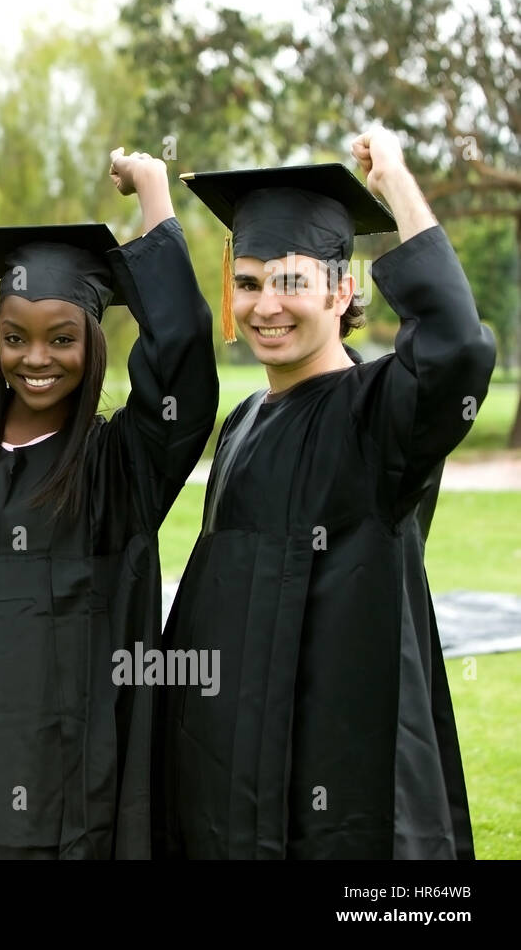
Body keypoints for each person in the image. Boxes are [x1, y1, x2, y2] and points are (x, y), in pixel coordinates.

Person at [0, 149, 218, 859]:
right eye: (16, 336)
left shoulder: (120, 463)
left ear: (92, 341)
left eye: (63, 338)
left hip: (78, 792)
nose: (37, 357)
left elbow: (180, 351)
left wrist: (154, 195)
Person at [160, 127, 496, 859]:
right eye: (247, 282)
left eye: (290, 281)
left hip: (334, 773)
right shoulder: (244, 421)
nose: (264, 305)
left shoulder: (377, 412)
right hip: (228, 773)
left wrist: (398, 182)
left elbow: (457, 347)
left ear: (343, 290)